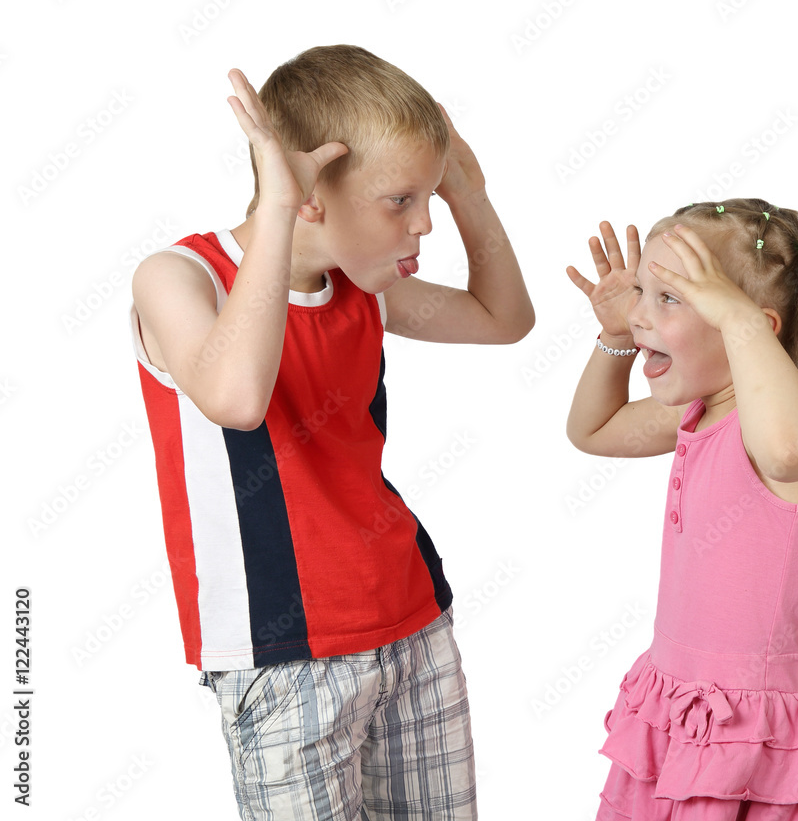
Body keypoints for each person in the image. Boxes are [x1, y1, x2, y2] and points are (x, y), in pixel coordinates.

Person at [129, 44, 534, 820]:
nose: (424, 223)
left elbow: (503, 319)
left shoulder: (363, 288)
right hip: (283, 659)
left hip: (415, 626)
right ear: (311, 195)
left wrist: (470, 195)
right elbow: (237, 397)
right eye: (401, 200)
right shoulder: (180, 277)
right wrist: (277, 210)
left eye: (430, 198)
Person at [566, 199, 798, 821]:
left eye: (670, 299)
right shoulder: (700, 407)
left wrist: (739, 325)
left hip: (742, 736)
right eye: (642, 290)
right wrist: (612, 343)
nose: (637, 314)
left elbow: (790, 451)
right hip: (671, 709)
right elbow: (594, 428)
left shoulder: (784, 426)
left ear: (750, 325)